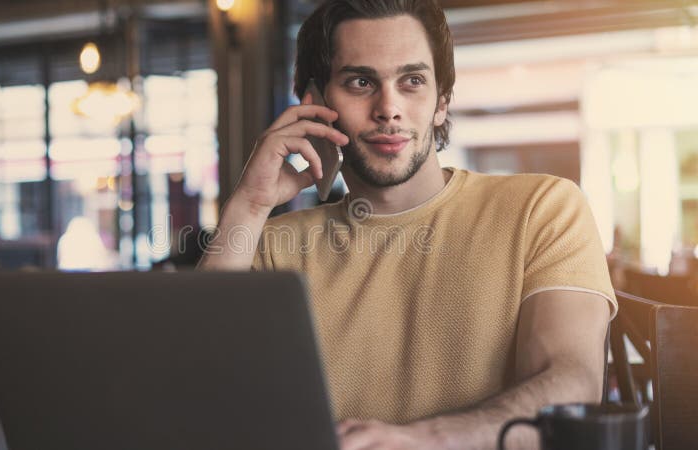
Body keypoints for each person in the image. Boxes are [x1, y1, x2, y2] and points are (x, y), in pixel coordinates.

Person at [199, 1, 615, 448]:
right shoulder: (274, 244)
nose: (389, 108)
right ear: (315, 103)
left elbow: (571, 385)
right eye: (361, 82)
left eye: (412, 81)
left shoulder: (542, 209)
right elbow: (191, 384)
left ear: (441, 103)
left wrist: (424, 440)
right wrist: (249, 204)